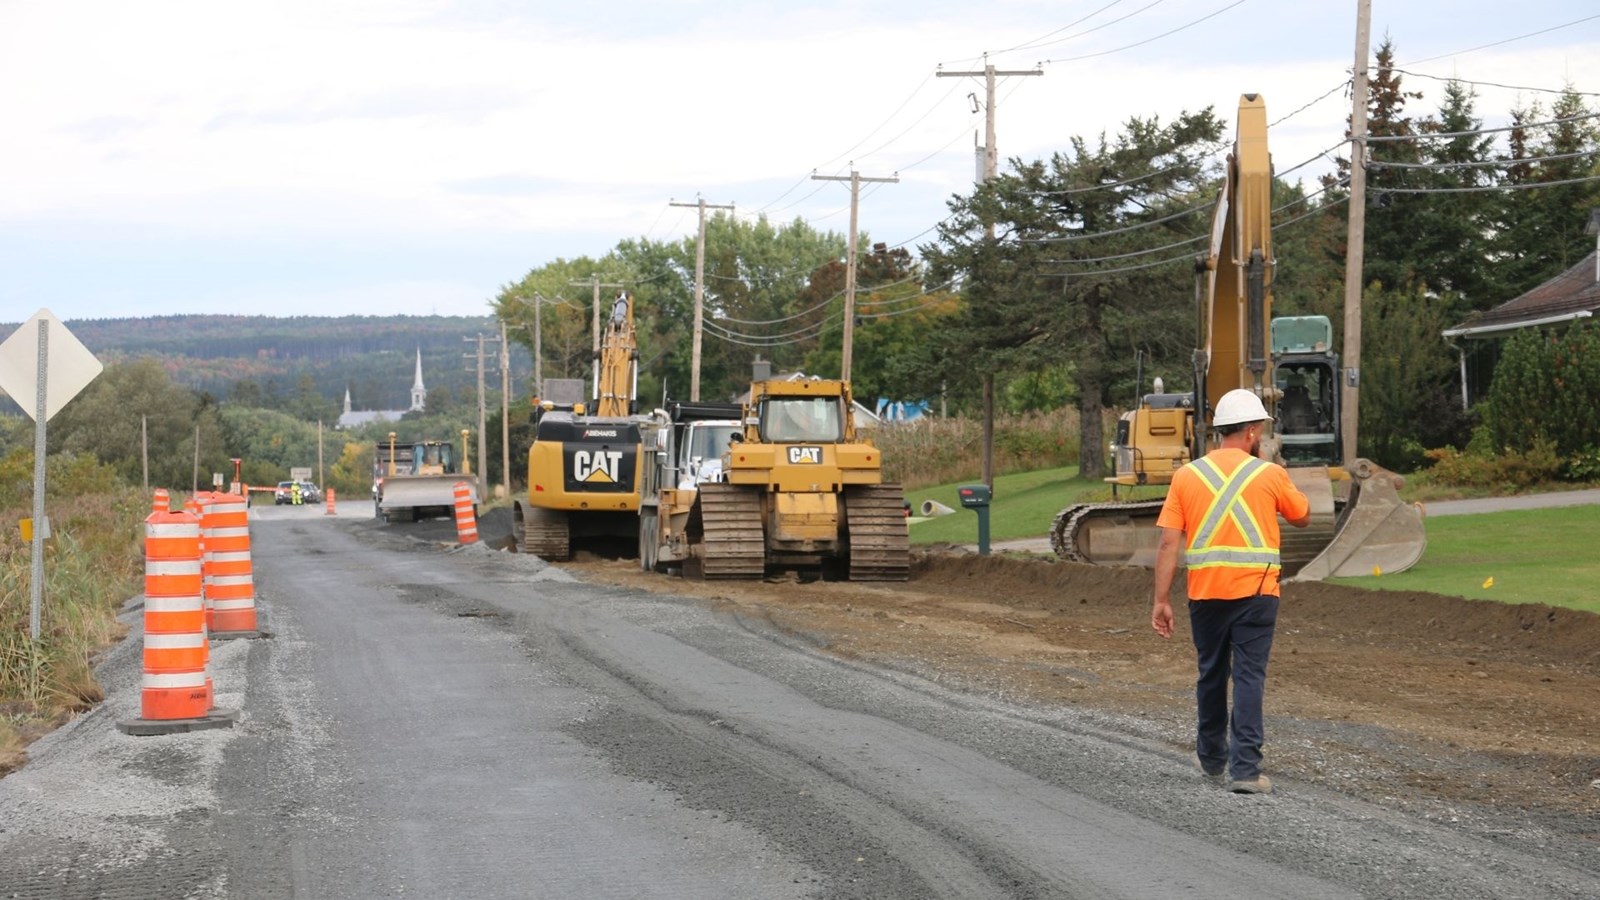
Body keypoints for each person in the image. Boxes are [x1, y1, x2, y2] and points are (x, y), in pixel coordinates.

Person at [1151, 388, 1311, 794]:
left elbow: (1168, 543)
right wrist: (1278, 470)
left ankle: (1210, 759)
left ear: (1220, 430)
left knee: (1211, 674)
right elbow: (1303, 516)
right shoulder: (1269, 474)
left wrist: (1161, 600)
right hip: (1257, 593)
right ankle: (1246, 771)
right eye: (1260, 430)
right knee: (1249, 677)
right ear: (1252, 431)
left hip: (1205, 594)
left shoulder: (1187, 476)